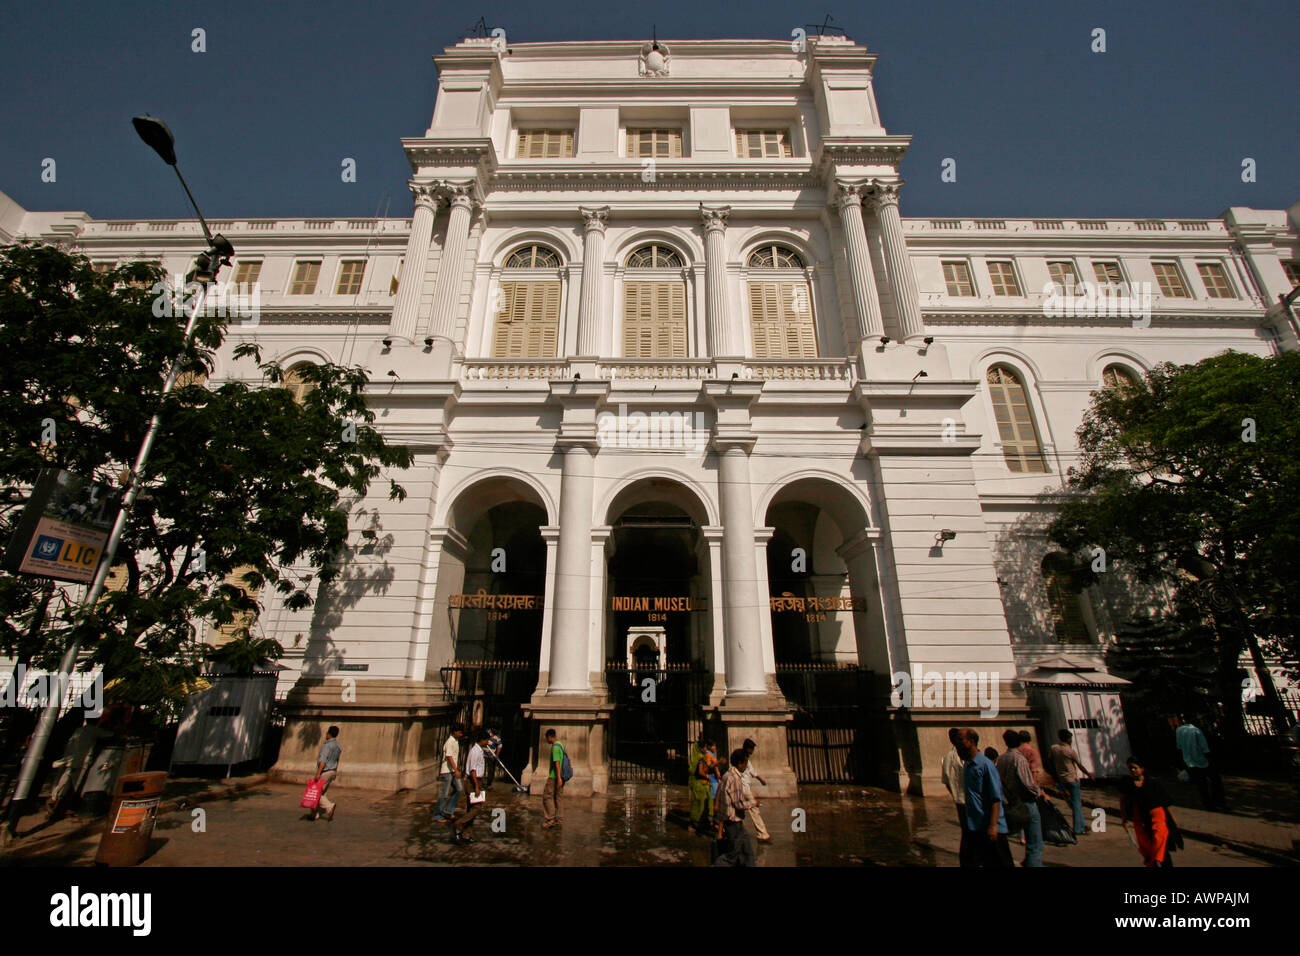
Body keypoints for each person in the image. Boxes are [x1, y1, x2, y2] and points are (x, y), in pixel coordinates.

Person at [956, 728, 1013, 868]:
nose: (957, 743)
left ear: (971, 741)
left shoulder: (986, 765)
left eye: (960, 740)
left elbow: (995, 798)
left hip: (991, 828)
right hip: (975, 826)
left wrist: (993, 826)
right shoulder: (968, 766)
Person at [1118, 756, 1182, 867]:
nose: (1132, 770)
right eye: (1130, 768)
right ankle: (1153, 862)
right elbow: (1123, 801)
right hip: (1140, 818)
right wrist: (1124, 819)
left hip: (1157, 816)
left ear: (1142, 769)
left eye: (1135, 768)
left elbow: (1165, 804)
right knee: (1146, 845)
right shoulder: (1127, 784)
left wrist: (1174, 821)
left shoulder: (1153, 784)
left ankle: (1158, 860)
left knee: (1159, 841)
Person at [996, 729, 1044, 866]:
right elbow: (1027, 783)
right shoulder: (1018, 759)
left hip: (1011, 801)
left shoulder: (1001, 759)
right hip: (1026, 801)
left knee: (1027, 836)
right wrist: (1039, 792)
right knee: (1035, 842)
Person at [46, 716, 112, 818]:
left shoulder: (79, 730)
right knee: (67, 784)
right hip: (77, 762)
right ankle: (54, 805)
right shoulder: (93, 730)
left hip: (68, 759)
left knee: (64, 782)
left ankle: (60, 806)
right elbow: (110, 735)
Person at [1171, 716, 1226, 811]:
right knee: (1215, 780)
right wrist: (1209, 758)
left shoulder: (1179, 731)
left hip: (1189, 761)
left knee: (1202, 784)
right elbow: (1204, 747)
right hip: (1202, 760)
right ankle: (1219, 801)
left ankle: (1208, 804)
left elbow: (1179, 747)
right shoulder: (1196, 730)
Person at [713, 749, 757, 866]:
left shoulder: (726, 775)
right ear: (739, 763)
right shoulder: (735, 779)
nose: (746, 766)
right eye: (745, 762)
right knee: (732, 855)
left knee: (747, 852)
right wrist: (753, 803)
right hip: (734, 821)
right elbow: (738, 804)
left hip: (732, 820)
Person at [1048, 729, 1092, 836]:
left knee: (1072, 803)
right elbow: (1079, 765)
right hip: (1072, 780)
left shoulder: (1054, 748)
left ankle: (1082, 824)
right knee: (1077, 804)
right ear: (1068, 739)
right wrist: (1089, 775)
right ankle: (1078, 828)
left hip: (1061, 780)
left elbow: (1049, 761)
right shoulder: (1070, 751)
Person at [452, 729, 489, 844]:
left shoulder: (479, 750)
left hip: (476, 781)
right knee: (477, 808)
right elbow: (473, 770)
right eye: (487, 740)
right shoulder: (475, 751)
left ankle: (467, 834)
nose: (488, 742)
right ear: (482, 740)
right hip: (473, 781)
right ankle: (459, 824)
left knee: (471, 808)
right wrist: (477, 786)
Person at [740, 738, 771, 843]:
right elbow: (751, 772)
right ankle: (762, 834)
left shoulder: (745, 758)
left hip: (743, 787)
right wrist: (760, 779)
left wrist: (760, 779)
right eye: (752, 748)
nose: (753, 750)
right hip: (744, 788)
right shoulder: (743, 758)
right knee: (754, 810)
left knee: (739, 809)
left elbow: (752, 771)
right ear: (748, 748)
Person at [433, 723, 465, 822]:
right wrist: (456, 770)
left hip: (452, 770)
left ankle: (448, 810)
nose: (461, 734)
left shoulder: (456, 741)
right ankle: (437, 814)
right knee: (445, 793)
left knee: (459, 789)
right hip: (447, 771)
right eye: (460, 732)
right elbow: (449, 756)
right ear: (455, 732)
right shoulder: (449, 742)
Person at [313, 726, 341, 821]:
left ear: (329, 734)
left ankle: (329, 806)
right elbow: (337, 760)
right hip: (332, 771)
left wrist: (318, 773)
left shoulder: (327, 746)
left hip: (325, 771)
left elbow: (323, 760)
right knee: (322, 792)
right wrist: (335, 772)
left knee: (316, 792)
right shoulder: (338, 746)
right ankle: (315, 813)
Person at [940, 728, 967, 828]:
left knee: (967, 831)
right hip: (966, 800)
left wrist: (955, 794)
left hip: (960, 799)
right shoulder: (952, 756)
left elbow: (946, 782)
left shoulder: (948, 757)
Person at [688, 737, 715, 834]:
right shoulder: (700, 758)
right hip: (701, 784)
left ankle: (696, 823)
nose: (706, 749)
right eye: (704, 747)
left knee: (698, 803)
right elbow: (700, 771)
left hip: (698, 784)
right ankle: (696, 823)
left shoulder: (696, 757)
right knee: (701, 804)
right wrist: (707, 776)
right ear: (701, 748)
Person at [542, 728, 565, 829]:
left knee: (547, 796)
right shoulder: (561, 745)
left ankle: (550, 818)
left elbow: (557, 763)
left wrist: (558, 777)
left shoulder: (555, 747)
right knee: (558, 797)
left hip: (554, 776)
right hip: (561, 776)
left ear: (549, 737)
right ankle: (559, 819)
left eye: (547, 738)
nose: (546, 740)